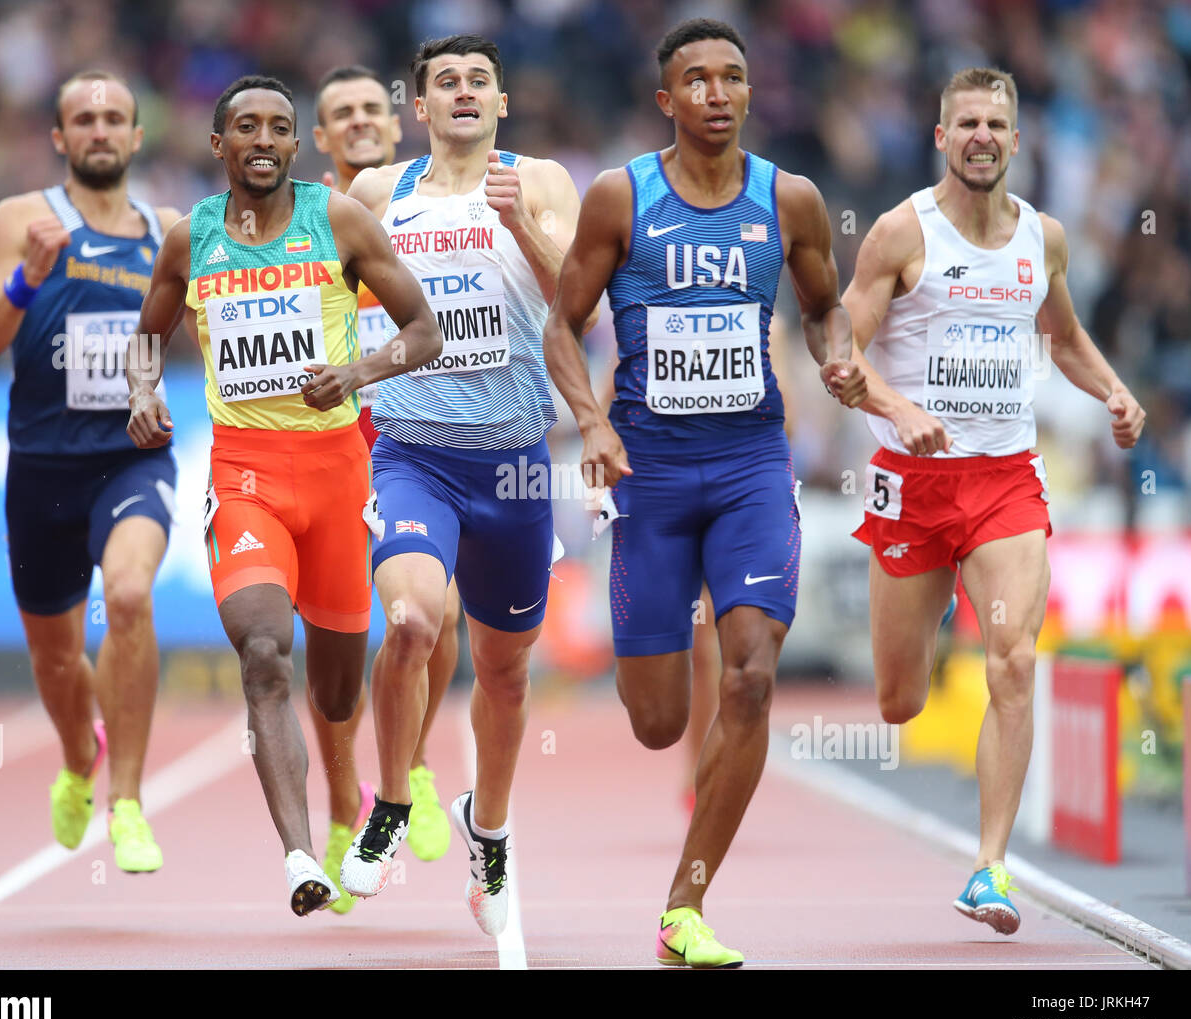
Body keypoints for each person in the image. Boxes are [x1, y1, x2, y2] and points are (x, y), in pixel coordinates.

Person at [543, 18, 866, 967]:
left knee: (752, 676)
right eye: (698, 79)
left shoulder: (791, 200)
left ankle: (686, 904)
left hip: (751, 468)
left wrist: (837, 358)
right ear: (667, 101)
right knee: (657, 721)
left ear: (750, 92)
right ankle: (666, 743)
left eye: (733, 76)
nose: (718, 93)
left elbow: (822, 308)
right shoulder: (620, 198)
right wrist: (593, 423)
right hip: (648, 472)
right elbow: (562, 327)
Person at [125, 75, 442, 915]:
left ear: (296, 147)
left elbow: (424, 329)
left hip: (338, 476)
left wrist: (356, 371)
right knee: (264, 654)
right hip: (245, 476)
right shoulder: (188, 238)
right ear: (219, 145)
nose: (262, 139)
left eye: (279, 128)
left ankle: (366, 795)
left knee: (336, 696)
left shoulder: (336, 219)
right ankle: (301, 855)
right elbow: (147, 335)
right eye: (246, 127)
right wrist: (141, 391)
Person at [841, 67, 1145, 934]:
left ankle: (990, 870)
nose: (981, 136)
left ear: (1016, 141)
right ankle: (930, 602)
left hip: (1005, 480)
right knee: (899, 701)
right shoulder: (903, 233)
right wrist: (900, 409)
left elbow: (1066, 334)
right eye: (966, 122)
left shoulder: (1041, 239)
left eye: (996, 124)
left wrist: (1115, 392)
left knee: (1012, 661)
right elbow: (842, 355)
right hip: (914, 487)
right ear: (943, 137)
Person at [337, 34, 590, 937]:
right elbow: (321, 296)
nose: (465, 92)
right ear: (421, 107)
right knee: (409, 621)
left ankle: (488, 829)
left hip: (517, 460)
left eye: (481, 79)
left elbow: (580, 303)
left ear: (503, 102)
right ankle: (393, 805)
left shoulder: (545, 182)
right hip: (414, 453)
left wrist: (521, 223)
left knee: (506, 673)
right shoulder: (378, 195)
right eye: (446, 82)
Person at [0, 71, 180, 873]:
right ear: (58, 138)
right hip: (43, 465)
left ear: (135, 136)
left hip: (133, 456)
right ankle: (75, 757)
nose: (98, 130)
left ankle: (127, 802)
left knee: (128, 595)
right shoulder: (22, 220)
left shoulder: (170, 231)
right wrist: (28, 278)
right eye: (82, 119)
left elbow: (229, 317)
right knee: (57, 658)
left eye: (113, 118)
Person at [310, 66, 458, 911]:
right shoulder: (299, 224)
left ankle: (417, 765)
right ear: (322, 140)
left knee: (435, 614)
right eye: (341, 115)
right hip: (329, 440)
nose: (361, 121)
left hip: (417, 434)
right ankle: (341, 809)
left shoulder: (427, 207)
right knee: (335, 630)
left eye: (373, 108)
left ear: (397, 125)